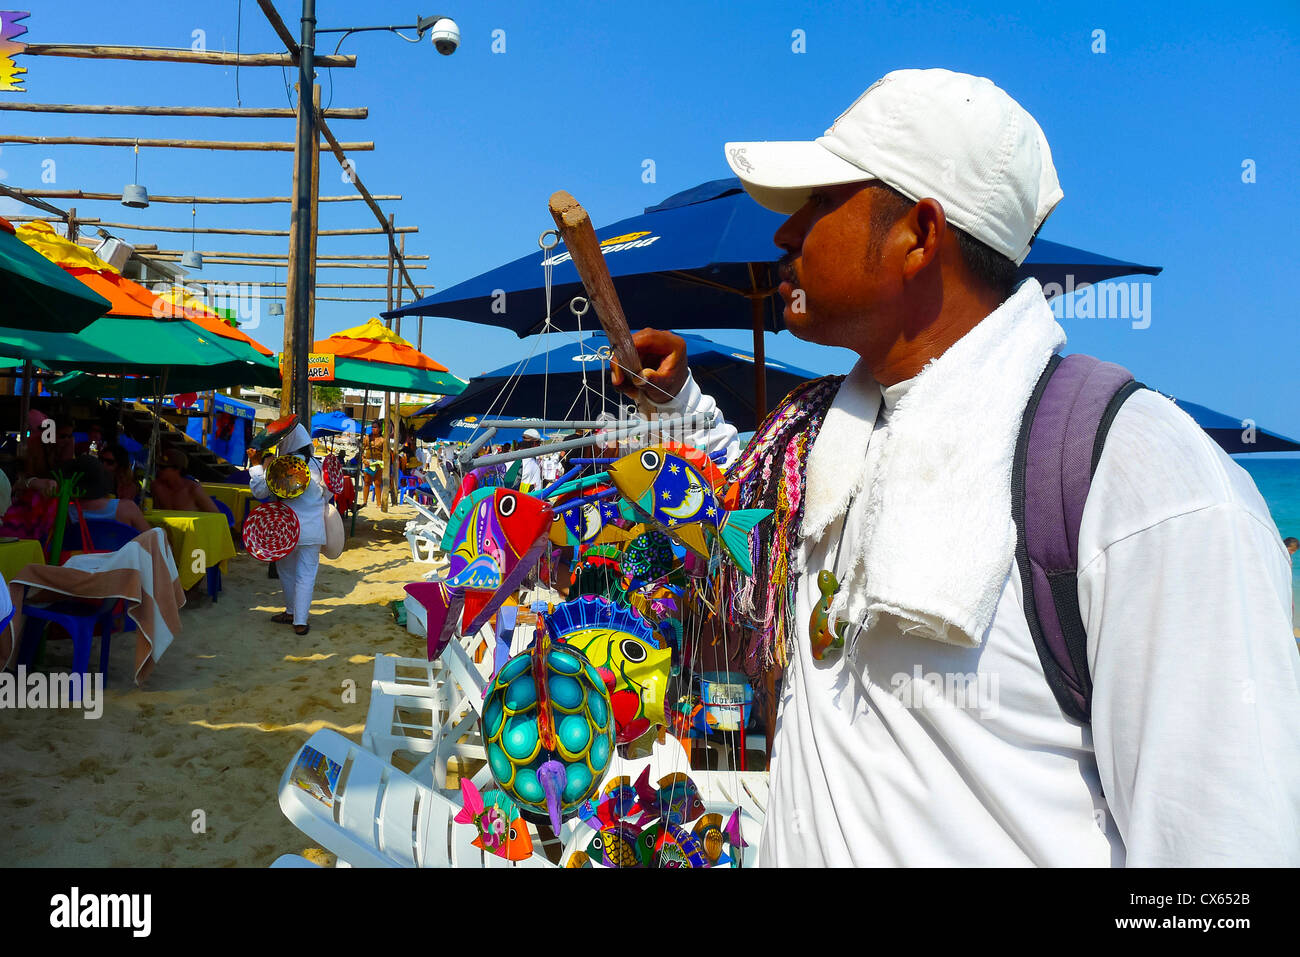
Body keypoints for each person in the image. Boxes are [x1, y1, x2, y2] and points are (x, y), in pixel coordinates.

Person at [611, 68, 1300, 867]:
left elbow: (1225, 854)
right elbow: (739, 513)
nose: (784, 237)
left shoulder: (1142, 478)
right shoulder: (821, 445)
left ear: (919, 235)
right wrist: (675, 405)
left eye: (819, 203)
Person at [248, 424, 327, 635]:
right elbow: (327, 496)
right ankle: (299, 621)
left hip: (286, 529)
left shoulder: (280, 466)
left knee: (287, 572)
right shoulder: (317, 466)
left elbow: (260, 491)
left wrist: (257, 466)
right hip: (313, 530)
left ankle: (292, 612)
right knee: (306, 575)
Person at [66, 454, 152, 535]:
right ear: (102, 480)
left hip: (80, 550)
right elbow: (153, 542)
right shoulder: (127, 508)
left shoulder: (65, 513)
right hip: (120, 550)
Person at [150, 449, 220, 514]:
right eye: (158, 466)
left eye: (163, 467)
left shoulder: (193, 489)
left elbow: (217, 516)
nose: (158, 470)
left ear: (177, 469)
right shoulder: (156, 487)